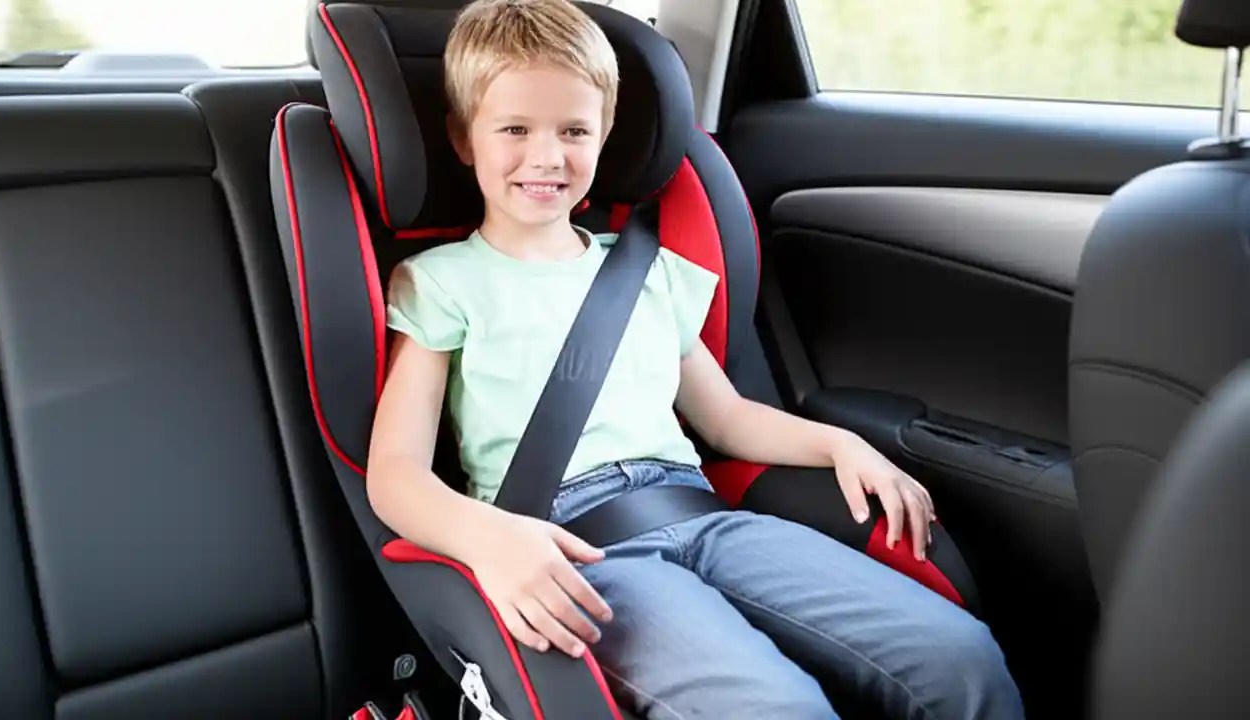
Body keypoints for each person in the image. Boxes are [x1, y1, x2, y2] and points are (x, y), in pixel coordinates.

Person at [367, 0, 1025, 717]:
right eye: (515, 130)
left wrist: (842, 445)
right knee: (780, 709)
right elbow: (396, 474)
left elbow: (728, 419)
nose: (548, 156)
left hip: (708, 516)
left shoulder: (648, 272)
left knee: (959, 656)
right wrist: (492, 544)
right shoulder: (441, 283)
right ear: (464, 138)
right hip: (575, 544)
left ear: (606, 133)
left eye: (574, 130)